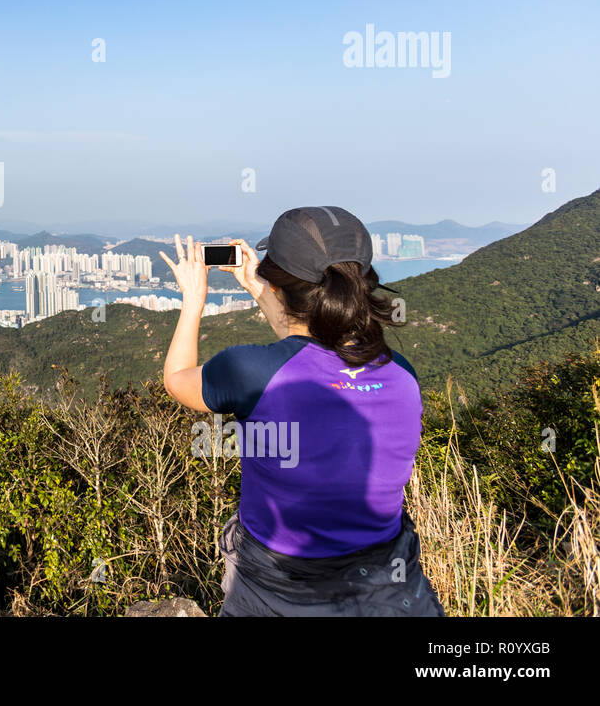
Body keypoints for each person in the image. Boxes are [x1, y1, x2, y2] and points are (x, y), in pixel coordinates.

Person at [157, 205, 444, 616]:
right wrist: (260, 289)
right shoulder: (402, 375)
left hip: (277, 593)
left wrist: (194, 301)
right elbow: (309, 349)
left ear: (280, 288)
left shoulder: (248, 370)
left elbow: (178, 379)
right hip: (392, 592)